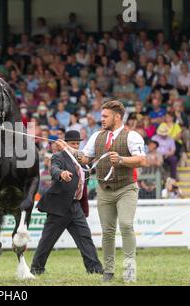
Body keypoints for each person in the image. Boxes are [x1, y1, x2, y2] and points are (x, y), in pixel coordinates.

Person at [56, 100, 146, 283]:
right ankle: (109, 271)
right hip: (104, 190)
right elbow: (85, 159)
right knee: (107, 231)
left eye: (105, 116)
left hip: (126, 188)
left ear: (117, 116)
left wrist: (121, 159)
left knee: (126, 225)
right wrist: (68, 149)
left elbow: (141, 160)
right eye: (101, 115)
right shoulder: (96, 136)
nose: (101, 119)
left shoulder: (132, 136)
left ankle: (129, 268)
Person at [31, 130, 103, 276]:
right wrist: (61, 174)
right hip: (59, 206)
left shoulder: (82, 160)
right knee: (48, 240)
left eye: (78, 143)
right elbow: (54, 169)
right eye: (73, 143)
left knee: (85, 237)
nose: (76, 146)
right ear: (65, 144)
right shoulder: (58, 156)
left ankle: (95, 269)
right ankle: (36, 269)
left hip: (75, 205)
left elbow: (87, 174)